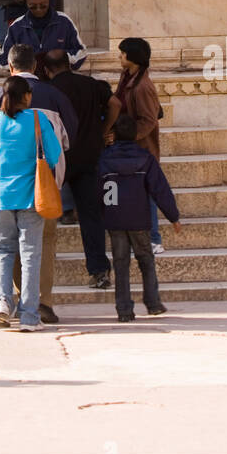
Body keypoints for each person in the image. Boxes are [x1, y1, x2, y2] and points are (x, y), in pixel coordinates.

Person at [0, 43, 76, 324]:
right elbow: (57, 154)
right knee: (32, 252)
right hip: (33, 194)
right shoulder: (38, 117)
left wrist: (0, 172)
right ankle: (30, 314)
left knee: (5, 250)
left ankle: (3, 303)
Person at [41, 50, 112, 291]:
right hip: (89, 156)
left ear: (48, 69)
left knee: (46, 212)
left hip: (59, 158)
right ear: (69, 64)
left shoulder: (49, 90)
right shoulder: (90, 84)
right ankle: (99, 270)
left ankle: (43, 267)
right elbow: (115, 103)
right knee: (91, 214)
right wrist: (104, 130)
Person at [98, 114, 180, 321]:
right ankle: (153, 303)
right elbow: (160, 189)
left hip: (114, 219)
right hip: (139, 219)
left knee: (120, 263)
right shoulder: (145, 159)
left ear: (113, 135)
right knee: (146, 260)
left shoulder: (104, 159)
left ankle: (124, 310)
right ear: (136, 135)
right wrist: (173, 217)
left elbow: (96, 191)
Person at [105, 37, 165, 254]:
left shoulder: (143, 87)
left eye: (122, 53)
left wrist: (129, 136)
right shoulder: (127, 77)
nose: (120, 57)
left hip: (141, 148)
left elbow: (149, 120)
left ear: (132, 57)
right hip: (127, 147)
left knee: (145, 193)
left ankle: (154, 239)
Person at [0, 0, 87, 73]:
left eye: (43, 5)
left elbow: (81, 52)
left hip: (58, 79)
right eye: (33, 6)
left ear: (48, 1)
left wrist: (60, 58)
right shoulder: (17, 26)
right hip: (30, 81)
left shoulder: (64, 21)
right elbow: (3, 60)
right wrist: (24, 64)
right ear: (26, 3)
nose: (38, 10)